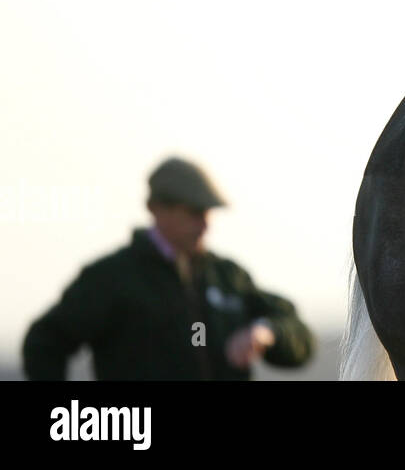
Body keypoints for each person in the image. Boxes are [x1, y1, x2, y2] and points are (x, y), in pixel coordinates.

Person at [22, 156, 314, 380]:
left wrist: (266, 332)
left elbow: (299, 336)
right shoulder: (112, 279)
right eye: (194, 212)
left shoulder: (227, 277)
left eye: (208, 213)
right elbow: (44, 342)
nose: (204, 224)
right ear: (156, 208)